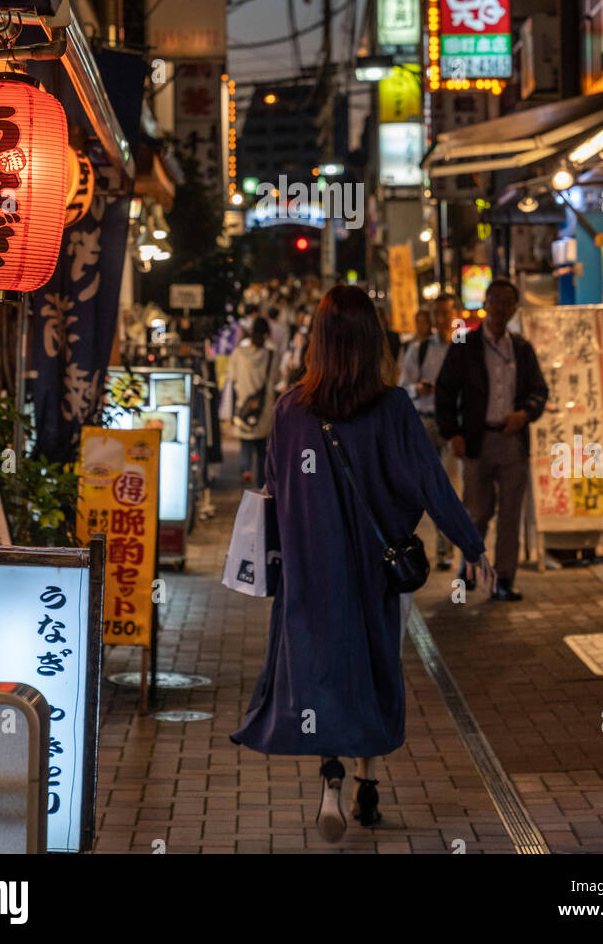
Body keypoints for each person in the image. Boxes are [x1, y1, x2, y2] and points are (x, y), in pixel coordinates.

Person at [231, 285, 493, 844]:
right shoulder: (392, 408)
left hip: (310, 578)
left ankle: (330, 777)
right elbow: (431, 482)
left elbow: (273, 492)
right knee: (375, 669)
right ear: (373, 339)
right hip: (377, 574)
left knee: (325, 674)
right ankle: (367, 785)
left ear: (318, 342)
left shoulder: (291, 410)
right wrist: (472, 546)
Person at [435, 277, 548, 602]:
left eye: (506, 302)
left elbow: (539, 391)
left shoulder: (522, 349)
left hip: (512, 440)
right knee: (477, 512)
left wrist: (524, 414)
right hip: (476, 440)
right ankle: (469, 568)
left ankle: (503, 580)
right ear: (485, 304)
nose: (500, 307)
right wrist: (452, 432)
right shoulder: (465, 346)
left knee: (511, 515)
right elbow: (445, 391)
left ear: (514, 308)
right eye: (494, 300)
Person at [399, 294, 461, 571]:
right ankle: (435, 546)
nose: (440, 320)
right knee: (426, 488)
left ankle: (447, 548)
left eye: (445, 314)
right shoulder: (419, 349)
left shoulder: (463, 349)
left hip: (453, 426)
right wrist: (417, 389)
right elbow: (403, 387)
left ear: (455, 314)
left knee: (448, 486)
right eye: (437, 314)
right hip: (423, 423)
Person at [226, 315, 277, 486]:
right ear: (266, 334)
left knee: (246, 445)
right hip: (263, 409)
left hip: (244, 407)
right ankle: (262, 485)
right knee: (262, 449)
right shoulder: (271, 355)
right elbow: (274, 381)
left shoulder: (238, 354)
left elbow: (231, 379)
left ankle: (246, 474)